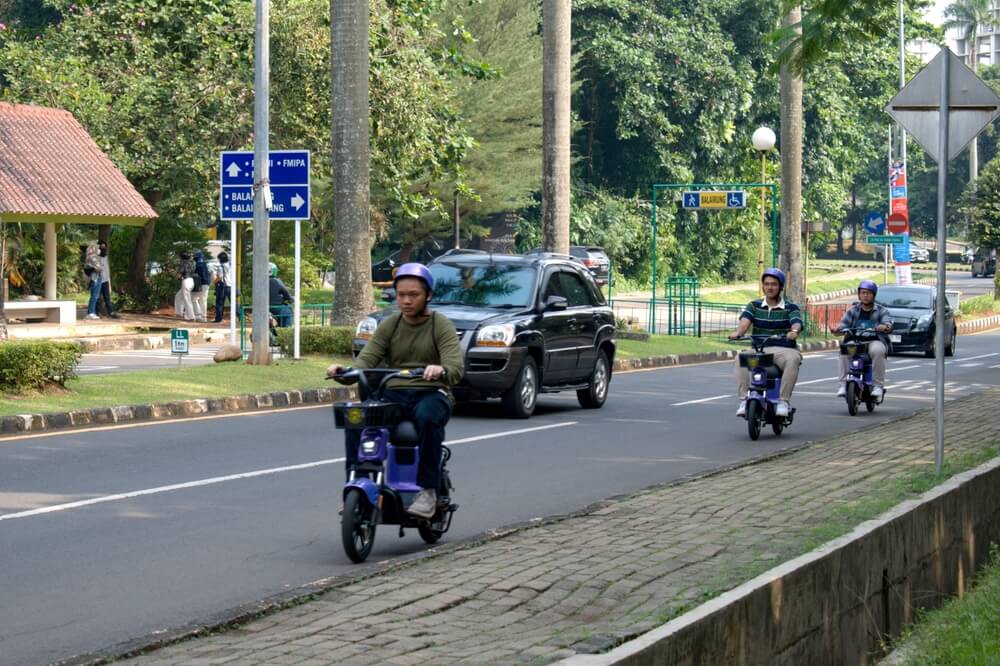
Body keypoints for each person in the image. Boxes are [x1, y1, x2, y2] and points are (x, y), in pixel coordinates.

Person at [326, 263, 464, 519]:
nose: (407, 301)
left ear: (428, 296)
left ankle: (427, 491)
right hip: (394, 394)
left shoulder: (440, 325)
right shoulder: (390, 324)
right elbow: (366, 360)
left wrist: (440, 369)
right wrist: (343, 372)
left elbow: (455, 367)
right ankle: (359, 485)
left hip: (431, 393)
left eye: (414, 295)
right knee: (357, 418)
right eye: (401, 295)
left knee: (428, 418)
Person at [728, 268, 803, 417]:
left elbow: (796, 323)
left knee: (793, 359)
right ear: (763, 286)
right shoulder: (754, 306)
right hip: (759, 349)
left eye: (774, 284)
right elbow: (744, 323)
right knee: (740, 359)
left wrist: (794, 332)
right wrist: (738, 333)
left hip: (783, 349)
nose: (770, 287)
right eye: (767, 284)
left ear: (780, 287)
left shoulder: (790, 307)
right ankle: (744, 400)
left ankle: (783, 401)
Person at [831, 280, 892, 399]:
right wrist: (837, 330)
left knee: (879, 350)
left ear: (874, 295)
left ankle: (878, 386)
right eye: (863, 293)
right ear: (859, 294)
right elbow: (843, 325)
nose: (865, 295)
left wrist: (884, 327)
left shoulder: (881, 310)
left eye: (868, 293)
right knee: (845, 350)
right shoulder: (853, 310)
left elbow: (888, 323)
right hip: (856, 341)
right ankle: (842, 385)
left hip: (874, 341)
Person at [95, 240, 118, 318]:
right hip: (98, 280)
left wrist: (109, 281)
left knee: (107, 297)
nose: (103, 248)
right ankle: (96, 312)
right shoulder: (96, 257)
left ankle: (110, 313)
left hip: (105, 280)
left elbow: (107, 270)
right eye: (101, 247)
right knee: (97, 297)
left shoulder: (106, 257)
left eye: (104, 247)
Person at [268, 262, 293, 327]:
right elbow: (285, 291)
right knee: (288, 313)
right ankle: (286, 331)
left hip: (263, 307)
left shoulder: (259, 281)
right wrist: (290, 299)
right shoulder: (276, 281)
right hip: (276, 307)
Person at [174, 251, 196, 321]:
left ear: (181, 257)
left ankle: (191, 317)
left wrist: (176, 277)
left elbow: (179, 274)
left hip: (186, 281)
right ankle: (179, 313)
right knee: (178, 296)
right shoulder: (191, 263)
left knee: (187, 299)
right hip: (192, 281)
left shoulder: (183, 263)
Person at [83, 242, 102, 320]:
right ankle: (90, 313)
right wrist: (100, 268)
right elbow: (99, 268)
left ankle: (92, 312)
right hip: (95, 277)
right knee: (94, 295)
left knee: (95, 295)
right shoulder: (92, 257)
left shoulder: (91, 257)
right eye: (96, 248)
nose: (98, 249)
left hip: (95, 277)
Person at [213, 251, 233, 323]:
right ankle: (240, 316)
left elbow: (220, 276)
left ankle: (218, 319)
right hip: (230, 286)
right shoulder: (231, 265)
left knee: (219, 303)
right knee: (233, 303)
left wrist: (215, 281)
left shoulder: (221, 266)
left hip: (222, 287)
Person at [192, 251, 211, 323]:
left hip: (201, 283)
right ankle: (203, 317)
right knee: (203, 300)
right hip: (207, 283)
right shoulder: (204, 264)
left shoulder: (198, 264)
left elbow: (195, 274)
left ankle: (199, 316)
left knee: (194, 299)